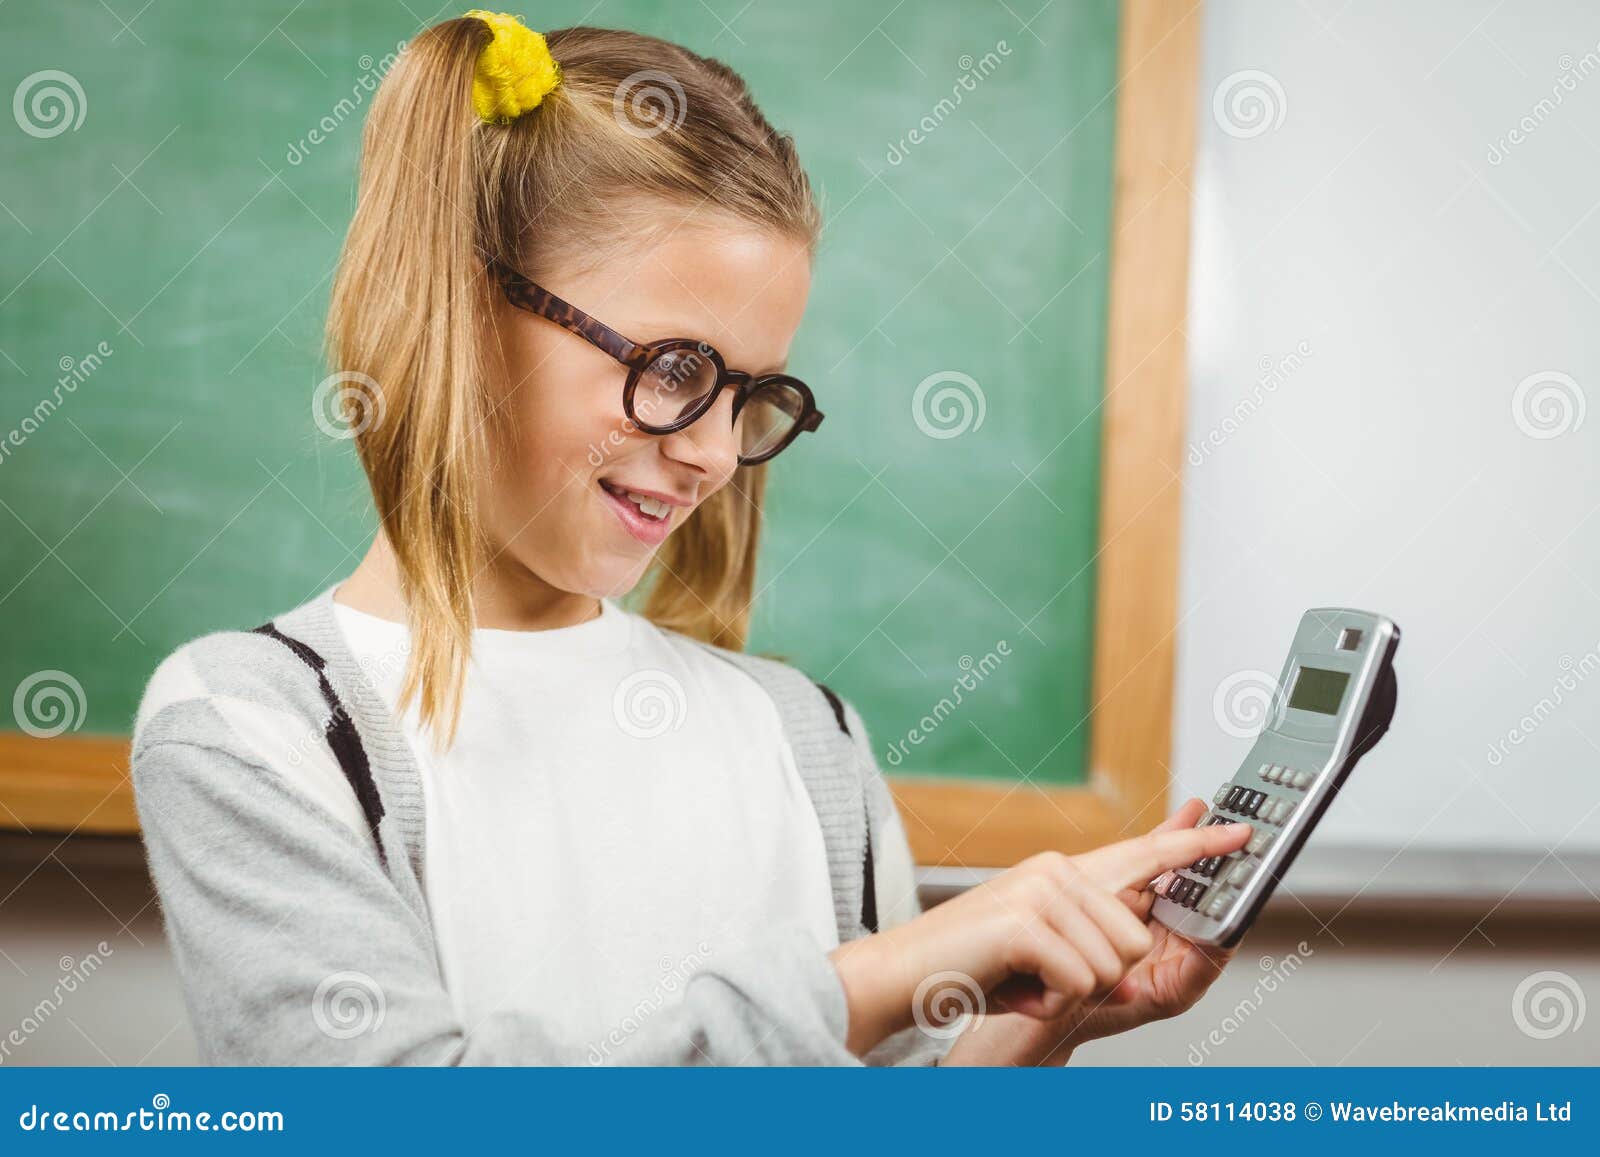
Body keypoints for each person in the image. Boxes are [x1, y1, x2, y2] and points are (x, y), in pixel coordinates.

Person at [131, 10, 1250, 1066]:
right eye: (674, 369)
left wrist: (1017, 1029)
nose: (715, 453)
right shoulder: (251, 724)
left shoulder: (805, 736)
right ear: (466, 311)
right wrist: (877, 978)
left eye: (752, 392)